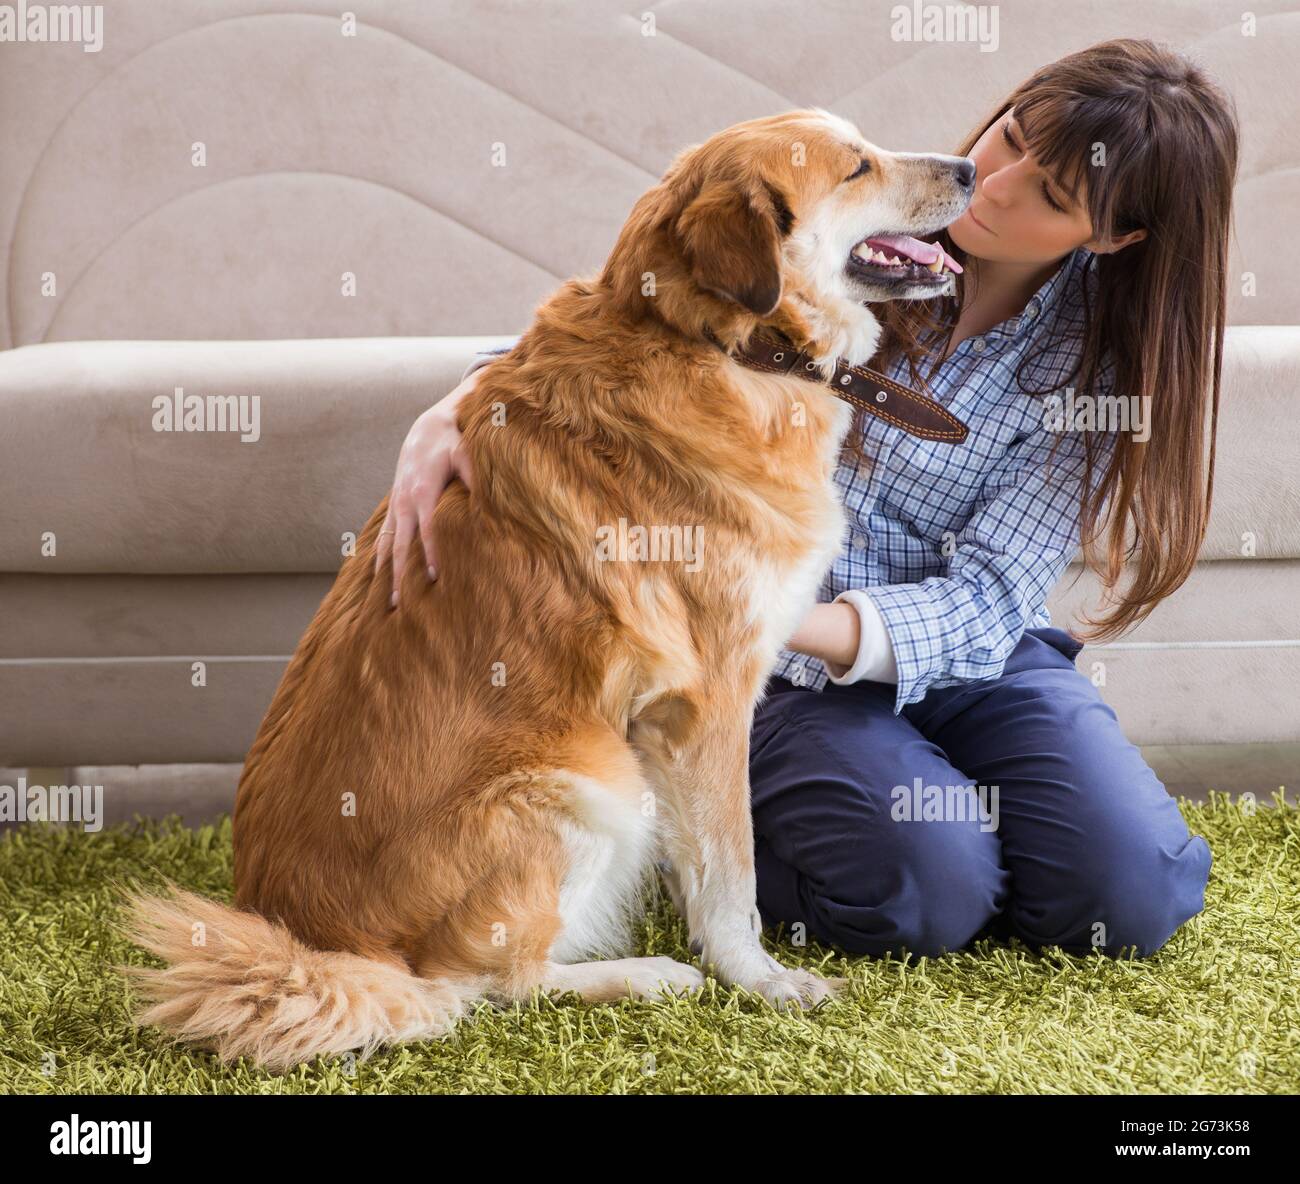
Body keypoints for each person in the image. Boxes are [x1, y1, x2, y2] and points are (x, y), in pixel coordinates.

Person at [376, 39, 1236, 961]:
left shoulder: (1097, 364)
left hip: (952, 651)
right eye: (1009, 136)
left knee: (1132, 890)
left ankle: (928, 836)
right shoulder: (843, 213)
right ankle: (790, 844)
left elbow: (991, 600)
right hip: (781, 680)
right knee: (927, 890)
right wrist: (457, 402)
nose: (992, 182)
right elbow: (635, 322)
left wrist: (766, 612)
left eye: (1053, 197)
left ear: (1112, 239)